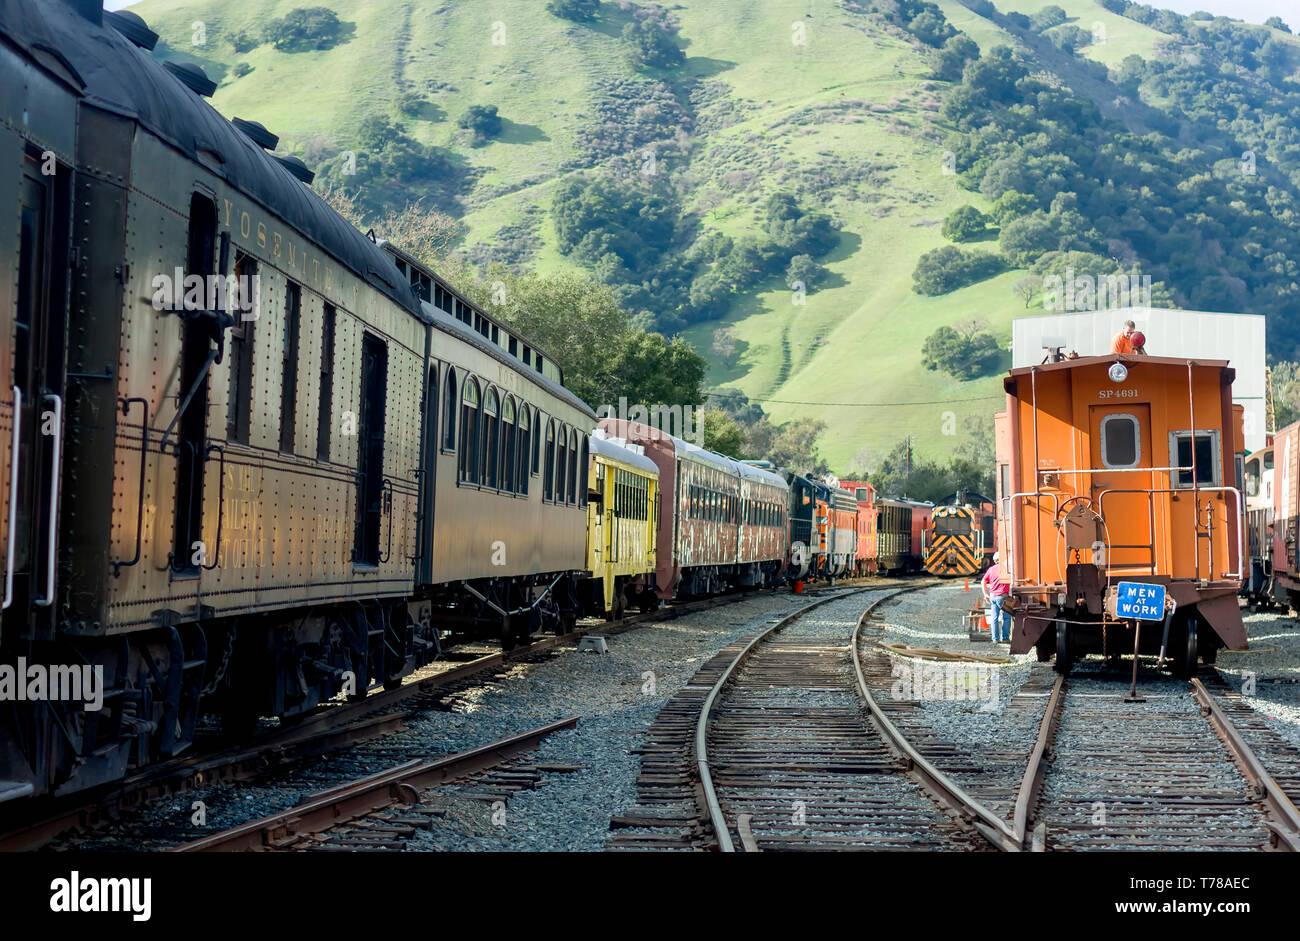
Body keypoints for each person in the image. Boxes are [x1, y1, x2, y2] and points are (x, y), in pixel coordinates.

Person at [981, 552, 1011, 644]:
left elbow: (983, 581)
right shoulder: (1006, 569)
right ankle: (1005, 638)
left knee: (994, 618)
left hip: (992, 596)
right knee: (1006, 618)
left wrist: (985, 594)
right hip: (1003, 597)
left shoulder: (990, 569)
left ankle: (995, 639)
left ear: (995, 561)